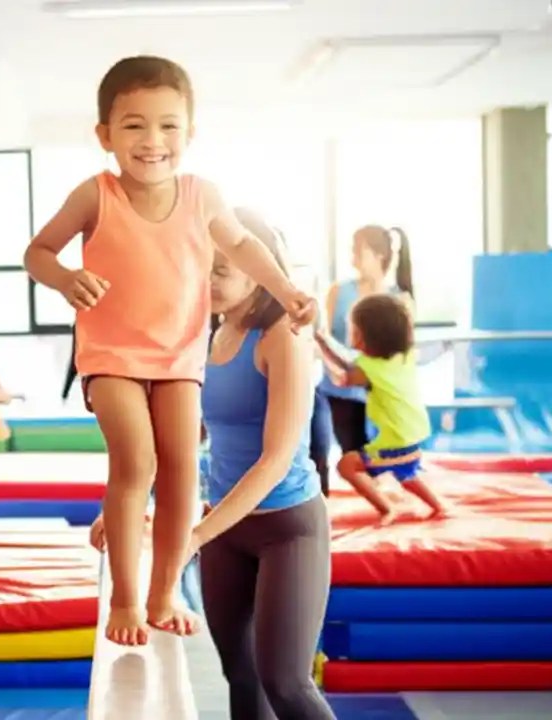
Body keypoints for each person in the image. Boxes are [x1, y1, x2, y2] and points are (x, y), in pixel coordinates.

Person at [23, 55, 316, 646]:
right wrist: (63, 278)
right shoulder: (95, 194)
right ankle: (126, 601)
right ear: (105, 135)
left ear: (189, 133)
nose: (151, 141)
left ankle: (164, 593)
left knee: (184, 469)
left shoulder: (202, 195)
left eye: (167, 126)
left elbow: (243, 243)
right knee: (138, 464)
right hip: (111, 357)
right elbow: (38, 252)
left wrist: (285, 289)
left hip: (180, 358)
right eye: (133, 125)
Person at [92, 210, 335, 719]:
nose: (210, 278)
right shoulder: (206, 336)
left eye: (224, 268)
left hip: (287, 527)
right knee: (241, 676)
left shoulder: (284, 338)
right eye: (204, 264)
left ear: (260, 269)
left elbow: (274, 461)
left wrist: (193, 536)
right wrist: (128, 504)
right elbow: (182, 439)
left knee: (286, 682)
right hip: (226, 530)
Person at [315, 294, 446, 525]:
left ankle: (387, 508)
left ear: (365, 338)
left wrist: (321, 346)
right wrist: (324, 340)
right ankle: (438, 505)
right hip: (412, 438)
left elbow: (342, 377)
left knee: (346, 466)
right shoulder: (403, 356)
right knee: (405, 473)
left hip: (393, 443)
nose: (350, 336)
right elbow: (348, 360)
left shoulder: (367, 368)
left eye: (353, 331)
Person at [311, 226, 413, 493]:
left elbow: (403, 352)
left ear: (379, 255)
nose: (352, 257)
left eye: (359, 251)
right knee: (339, 453)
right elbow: (329, 340)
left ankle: (391, 497)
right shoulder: (339, 292)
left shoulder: (399, 299)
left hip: (380, 392)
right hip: (341, 388)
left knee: (390, 457)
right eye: (352, 250)